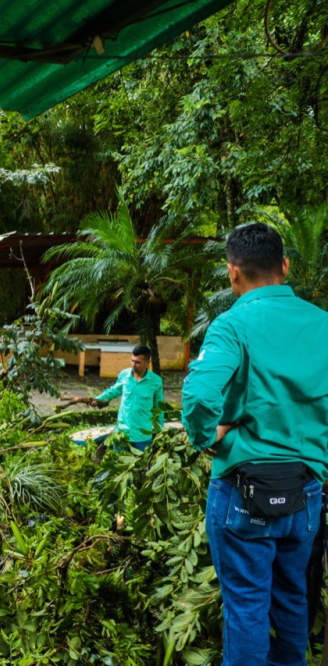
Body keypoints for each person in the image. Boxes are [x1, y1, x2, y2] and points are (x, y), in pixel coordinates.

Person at [182, 222, 328, 665]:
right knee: (292, 598)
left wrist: (207, 436)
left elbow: (199, 396)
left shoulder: (232, 326)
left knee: (247, 606)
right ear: (285, 266)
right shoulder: (322, 324)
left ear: (233, 273)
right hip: (305, 492)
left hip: (243, 491)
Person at [65, 345, 165, 451]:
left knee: (142, 461)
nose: (133, 365)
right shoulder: (124, 375)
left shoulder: (156, 381)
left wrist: (160, 432)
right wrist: (97, 400)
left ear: (147, 362)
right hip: (122, 433)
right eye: (132, 361)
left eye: (138, 362)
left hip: (143, 436)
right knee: (116, 460)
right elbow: (112, 391)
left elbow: (159, 409)